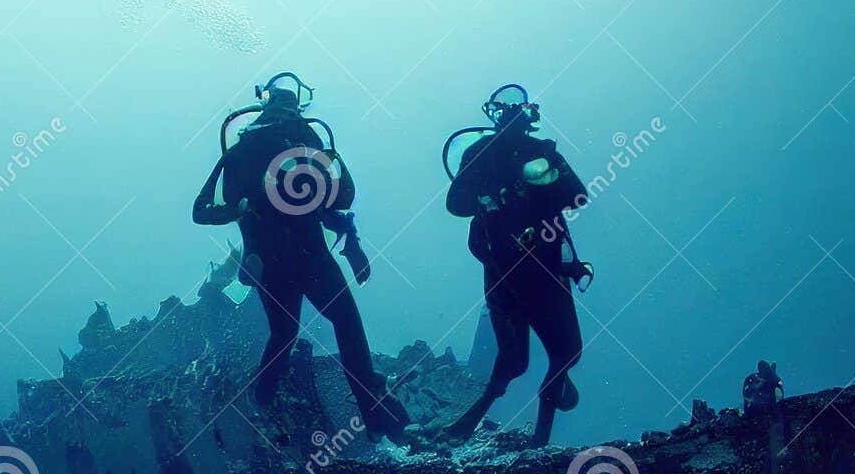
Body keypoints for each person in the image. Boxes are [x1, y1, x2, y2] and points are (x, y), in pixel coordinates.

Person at [193, 74, 408, 440]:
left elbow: (329, 202)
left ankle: (271, 404)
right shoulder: (266, 146)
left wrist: (350, 238)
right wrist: (240, 209)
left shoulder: (274, 145)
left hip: (286, 260)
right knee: (317, 329)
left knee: (294, 332)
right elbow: (203, 211)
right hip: (294, 260)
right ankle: (360, 412)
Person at [440, 85, 591, 448]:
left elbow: (578, 196)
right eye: (503, 107)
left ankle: (529, 433)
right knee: (529, 357)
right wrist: (491, 196)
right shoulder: (479, 154)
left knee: (557, 353)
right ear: (495, 114)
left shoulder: (545, 153)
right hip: (510, 269)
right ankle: (498, 427)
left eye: (515, 106)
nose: (508, 112)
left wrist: (548, 179)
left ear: (528, 114)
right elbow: (456, 203)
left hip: (539, 267)